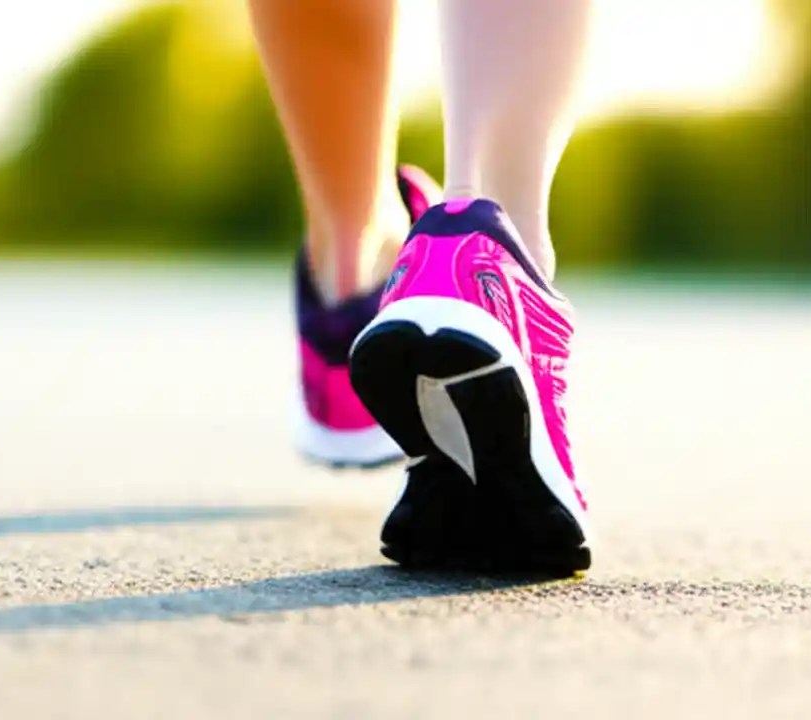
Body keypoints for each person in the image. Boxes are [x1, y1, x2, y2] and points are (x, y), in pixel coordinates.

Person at [249, 0, 592, 571]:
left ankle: (350, 274)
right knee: (486, 223)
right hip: (486, 283)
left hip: (355, 307)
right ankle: (489, 251)